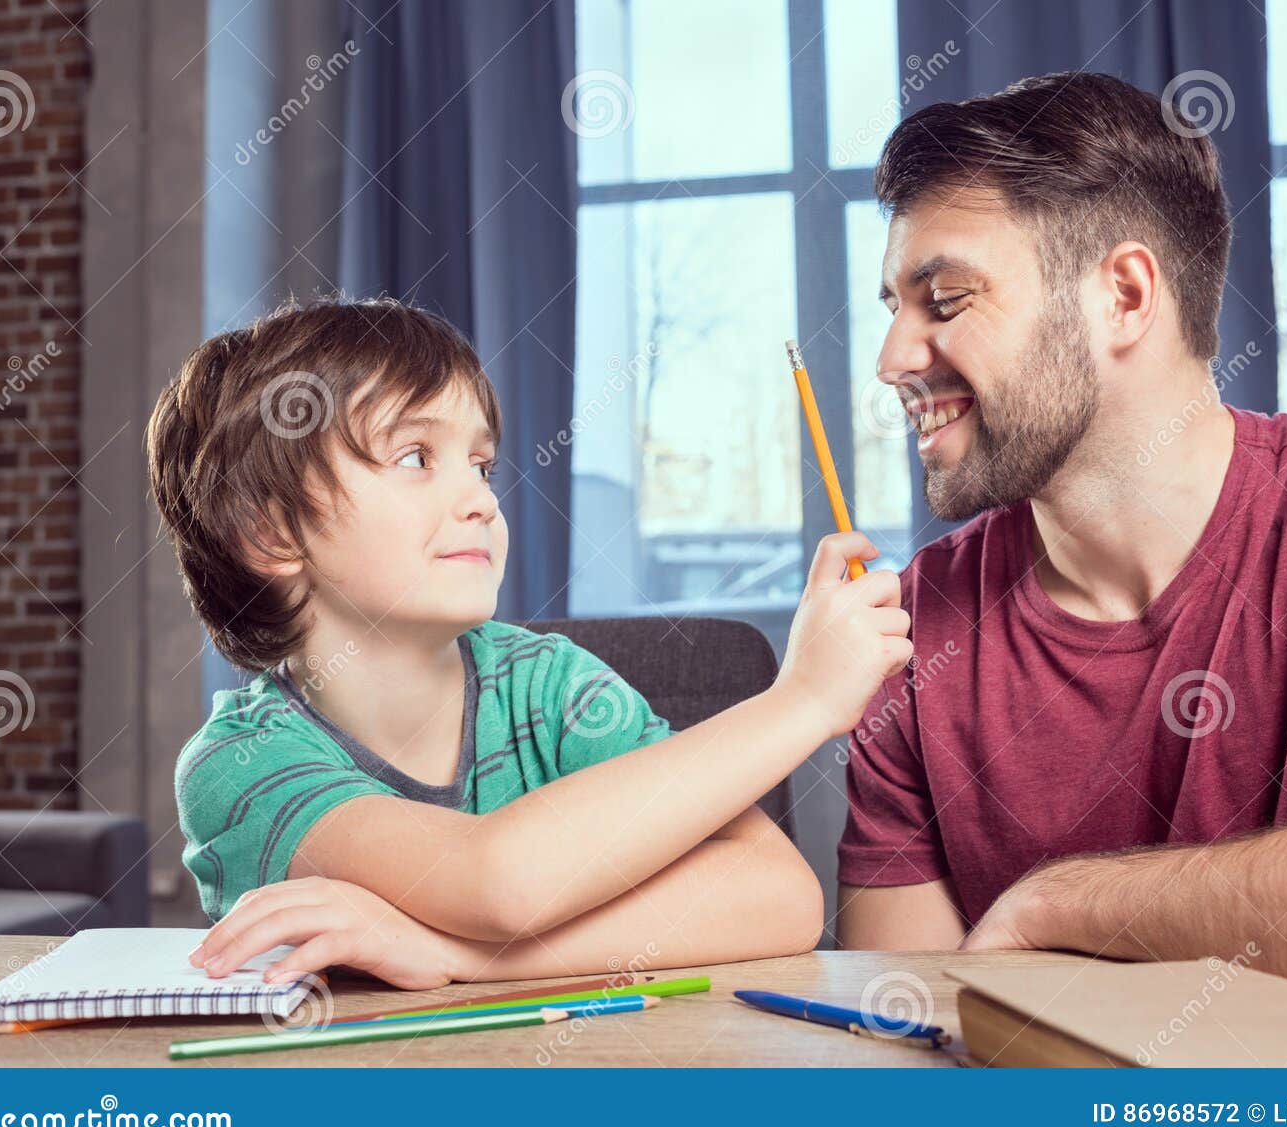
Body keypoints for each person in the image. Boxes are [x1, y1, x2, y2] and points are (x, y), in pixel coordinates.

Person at [836, 72, 1287, 1002]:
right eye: (893, 307)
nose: (891, 360)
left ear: (1124, 296)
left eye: (945, 299)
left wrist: (1063, 906)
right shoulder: (910, 635)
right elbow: (912, 1036)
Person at [147, 297, 912, 988]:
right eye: (416, 457)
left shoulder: (549, 684)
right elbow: (496, 882)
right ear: (270, 531)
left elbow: (777, 897)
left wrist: (454, 959)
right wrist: (804, 701)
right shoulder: (237, 768)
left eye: (481, 464)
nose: (480, 499)